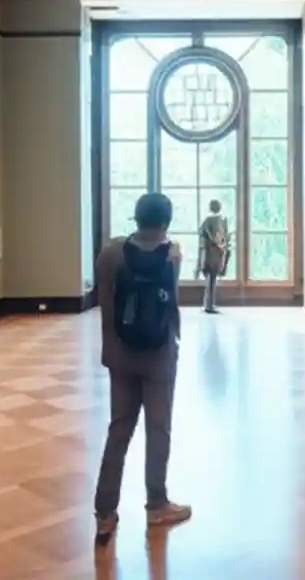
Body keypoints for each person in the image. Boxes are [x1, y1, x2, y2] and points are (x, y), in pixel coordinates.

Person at [93, 192, 192, 546]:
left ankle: (105, 513)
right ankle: (156, 503)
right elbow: (173, 304)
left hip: (120, 354)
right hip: (159, 355)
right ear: (165, 222)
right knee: (158, 429)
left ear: (135, 218)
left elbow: (104, 302)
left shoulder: (109, 254)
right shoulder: (173, 253)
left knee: (119, 430)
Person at [196, 199, 229, 314]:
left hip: (211, 251)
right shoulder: (222, 220)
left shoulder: (211, 220)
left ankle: (209, 304)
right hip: (216, 251)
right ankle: (209, 304)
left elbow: (203, 234)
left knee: (210, 279)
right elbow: (225, 237)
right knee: (212, 279)